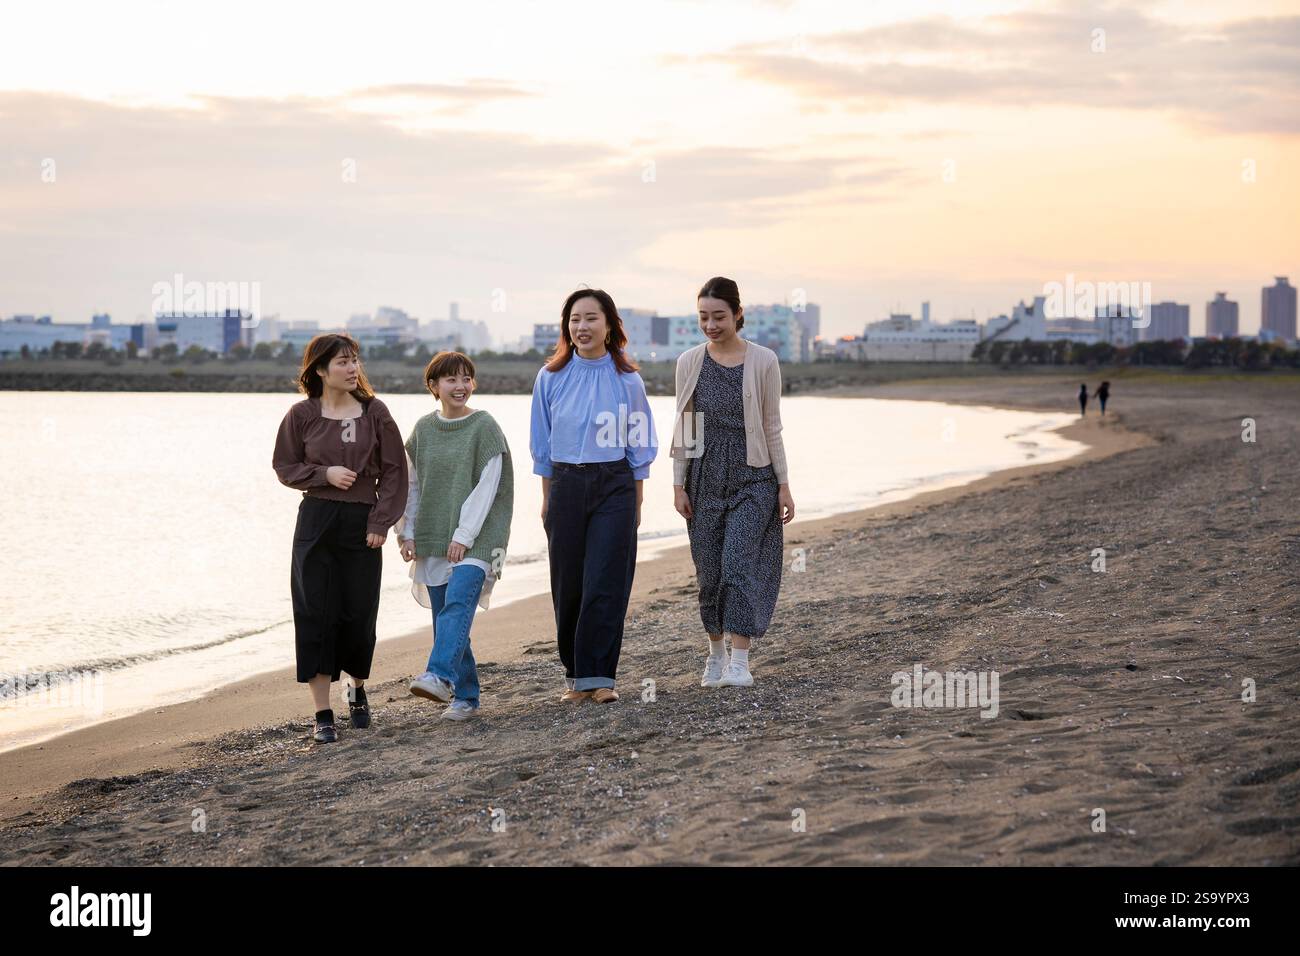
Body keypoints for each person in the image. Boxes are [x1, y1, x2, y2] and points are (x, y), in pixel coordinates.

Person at [273, 333, 407, 744]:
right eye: (342, 363)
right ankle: (323, 713)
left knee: (358, 615)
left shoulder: (375, 412)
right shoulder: (301, 414)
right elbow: (284, 465)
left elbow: (396, 471)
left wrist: (381, 522)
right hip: (315, 521)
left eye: (355, 361)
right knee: (315, 613)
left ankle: (358, 687)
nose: (352, 369)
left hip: (362, 522)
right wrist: (323, 474)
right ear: (319, 370)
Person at [530, 287, 658, 704]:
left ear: (609, 325)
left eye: (590, 319)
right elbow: (542, 445)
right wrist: (547, 497)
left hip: (615, 485)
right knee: (568, 584)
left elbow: (640, 442)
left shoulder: (628, 379)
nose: (581, 327)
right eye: (574, 320)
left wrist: (636, 501)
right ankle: (575, 677)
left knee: (606, 579)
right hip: (565, 484)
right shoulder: (550, 377)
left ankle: (600, 678)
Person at [670, 277, 794, 688]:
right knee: (709, 572)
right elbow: (686, 424)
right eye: (703, 316)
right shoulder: (689, 361)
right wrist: (678, 483)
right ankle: (715, 655)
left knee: (738, 563)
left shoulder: (764, 360)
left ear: (738, 314)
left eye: (719, 316)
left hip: (753, 476)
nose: (711, 324)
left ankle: (740, 662)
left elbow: (772, 425)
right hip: (705, 476)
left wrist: (783, 484)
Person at [398, 351, 514, 722]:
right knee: (444, 618)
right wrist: (407, 532)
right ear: (433, 386)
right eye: (450, 379)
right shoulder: (422, 431)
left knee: (458, 605)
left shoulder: (484, 426)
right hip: (433, 533)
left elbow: (488, 488)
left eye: (466, 378)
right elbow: (410, 485)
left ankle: (439, 676)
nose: (460, 386)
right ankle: (466, 697)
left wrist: (464, 535)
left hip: (480, 536)